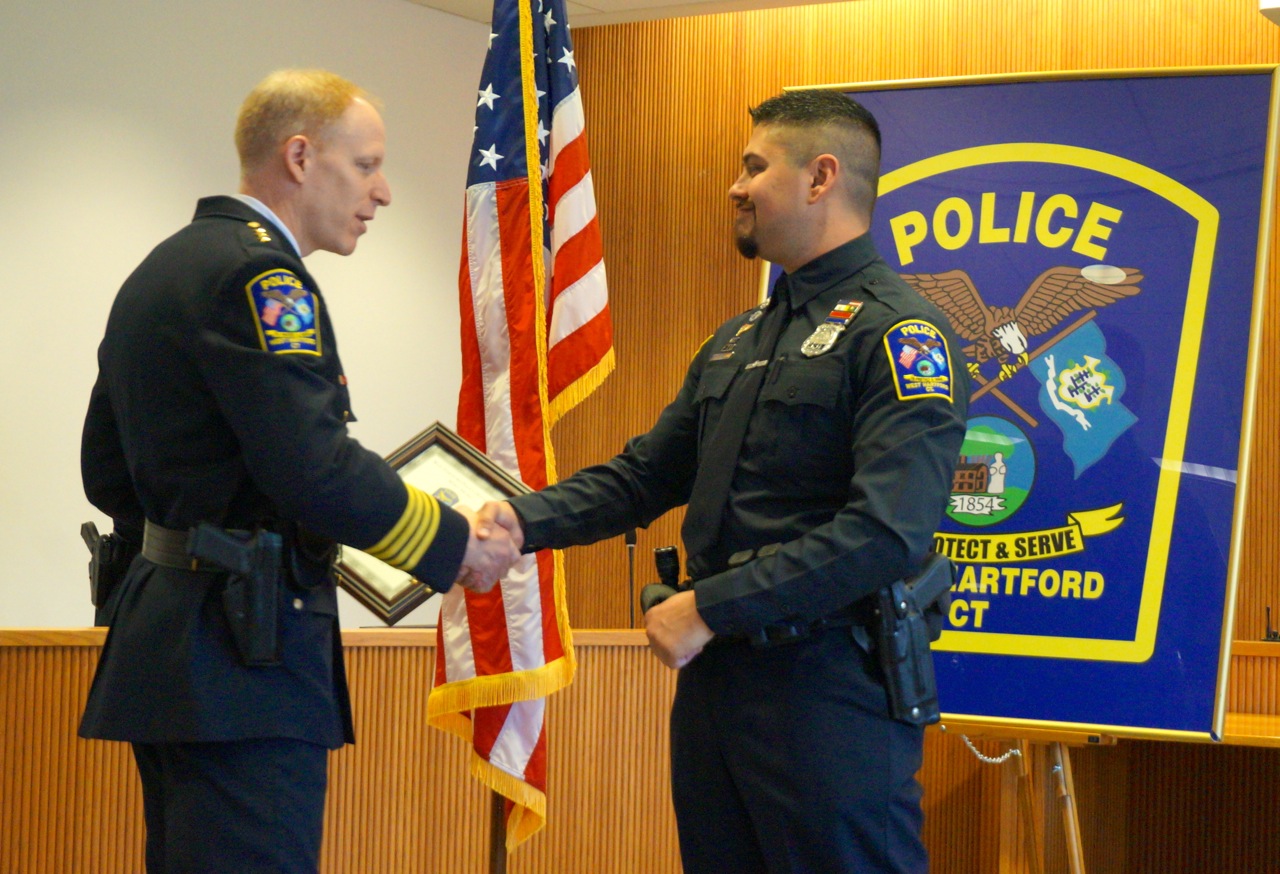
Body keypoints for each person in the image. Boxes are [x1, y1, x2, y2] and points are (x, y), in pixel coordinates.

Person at [479, 90, 970, 872]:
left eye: (754, 166)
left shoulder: (900, 334)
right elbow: (645, 476)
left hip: (827, 694)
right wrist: (517, 522)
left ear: (821, 178)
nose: (735, 187)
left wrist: (708, 606)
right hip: (718, 689)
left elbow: (886, 532)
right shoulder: (737, 338)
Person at [79, 69, 519, 873]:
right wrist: (455, 544)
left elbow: (106, 470)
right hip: (245, 649)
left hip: (171, 639)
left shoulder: (164, 267)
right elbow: (313, 469)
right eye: (367, 164)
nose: (382, 191)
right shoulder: (260, 277)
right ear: (300, 155)